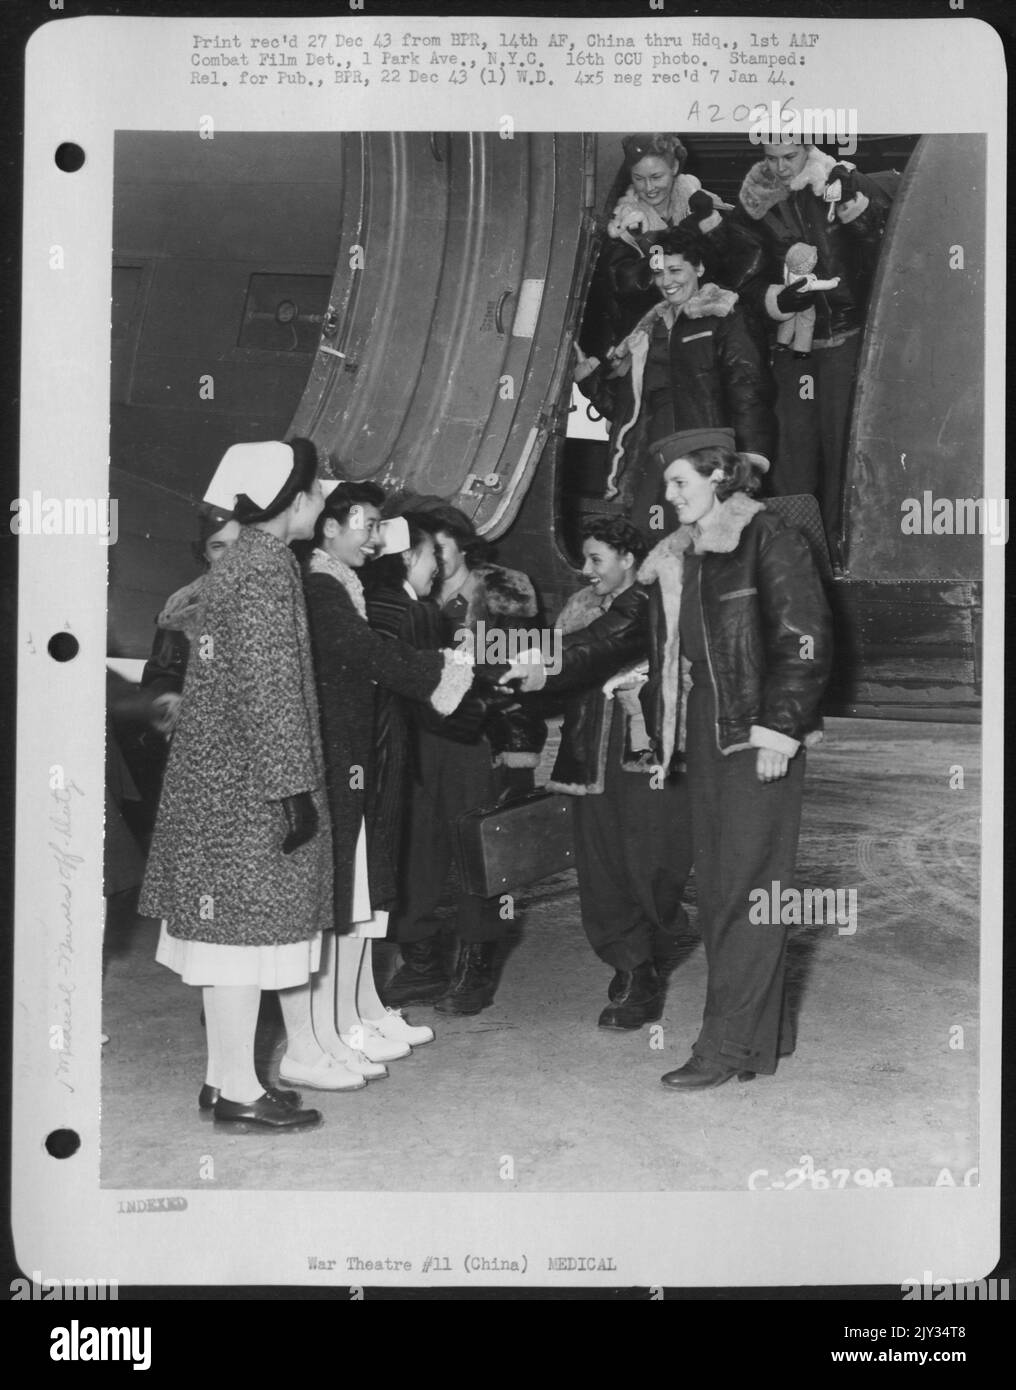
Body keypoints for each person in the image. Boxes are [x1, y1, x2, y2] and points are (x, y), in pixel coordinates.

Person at [139, 438, 330, 1131]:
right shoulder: (266, 570)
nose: (323, 500)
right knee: (242, 945)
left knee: (227, 944)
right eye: (317, 490)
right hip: (249, 788)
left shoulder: (241, 565)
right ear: (291, 500)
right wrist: (292, 790)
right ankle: (240, 1091)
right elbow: (269, 686)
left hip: (220, 780)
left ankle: (227, 1080)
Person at [636, 427, 832, 1089]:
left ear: (718, 476)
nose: (668, 497)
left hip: (755, 733)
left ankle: (723, 1047)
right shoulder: (683, 553)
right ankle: (761, 1038)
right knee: (728, 888)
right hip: (707, 731)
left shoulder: (769, 538)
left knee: (748, 894)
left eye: (679, 482)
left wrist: (779, 730)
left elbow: (805, 639)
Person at [280, 484, 475, 1090]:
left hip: (358, 759)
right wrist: (445, 671)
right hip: (338, 761)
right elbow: (363, 652)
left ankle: (349, 1022)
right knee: (342, 902)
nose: (373, 535)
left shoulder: (345, 584)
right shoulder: (321, 585)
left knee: (359, 896)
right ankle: (324, 1035)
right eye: (365, 523)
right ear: (330, 527)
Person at [512, 516, 694, 1030]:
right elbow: (560, 674)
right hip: (589, 759)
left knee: (653, 865)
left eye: (596, 560)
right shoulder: (579, 611)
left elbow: (597, 648)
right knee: (600, 871)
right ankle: (633, 968)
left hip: (646, 761)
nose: (587, 571)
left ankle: (650, 951)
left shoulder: (654, 603)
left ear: (628, 559)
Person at [382, 501, 546, 1016]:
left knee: (482, 854)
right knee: (415, 851)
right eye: (419, 546)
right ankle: (423, 963)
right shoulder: (404, 595)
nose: (429, 554)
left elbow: (529, 668)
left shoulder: (502, 593)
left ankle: (476, 968)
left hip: (480, 737)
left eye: (437, 543)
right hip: (417, 738)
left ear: (460, 540)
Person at [733, 138, 891, 559]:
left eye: (790, 156)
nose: (781, 167)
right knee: (791, 456)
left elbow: (885, 246)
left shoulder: (841, 181)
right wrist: (776, 300)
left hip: (846, 337)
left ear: (809, 148)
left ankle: (845, 555)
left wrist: (856, 205)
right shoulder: (754, 203)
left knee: (845, 452)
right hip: (793, 349)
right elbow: (743, 281)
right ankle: (790, 558)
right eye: (770, 158)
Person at [575, 226, 775, 536]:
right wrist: (589, 379)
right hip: (649, 461)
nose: (666, 281)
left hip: (703, 458)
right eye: (658, 273)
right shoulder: (645, 331)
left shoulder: (726, 317)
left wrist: (747, 463)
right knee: (647, 544)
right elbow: (626, 412)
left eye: (676, 270)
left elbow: (749, 391)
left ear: (699, 268)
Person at [587, 133, 730, 348]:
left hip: (707, 325)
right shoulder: (625, 224)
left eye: (656, 177)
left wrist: (712, 228)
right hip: (650, 338)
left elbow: (729, 259)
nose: (648, 187)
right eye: (639, 178)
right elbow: (627, 282)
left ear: (674, 168)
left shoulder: (698, 201)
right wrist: (682, 236)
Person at [141, 512, 242, 739]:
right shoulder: (181, 609)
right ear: (205, 553)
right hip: (202, 732)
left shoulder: (274, 599)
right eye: (218, 546)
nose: (230, 556)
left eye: (237, 546)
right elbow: (162, 675)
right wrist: (170, 699)